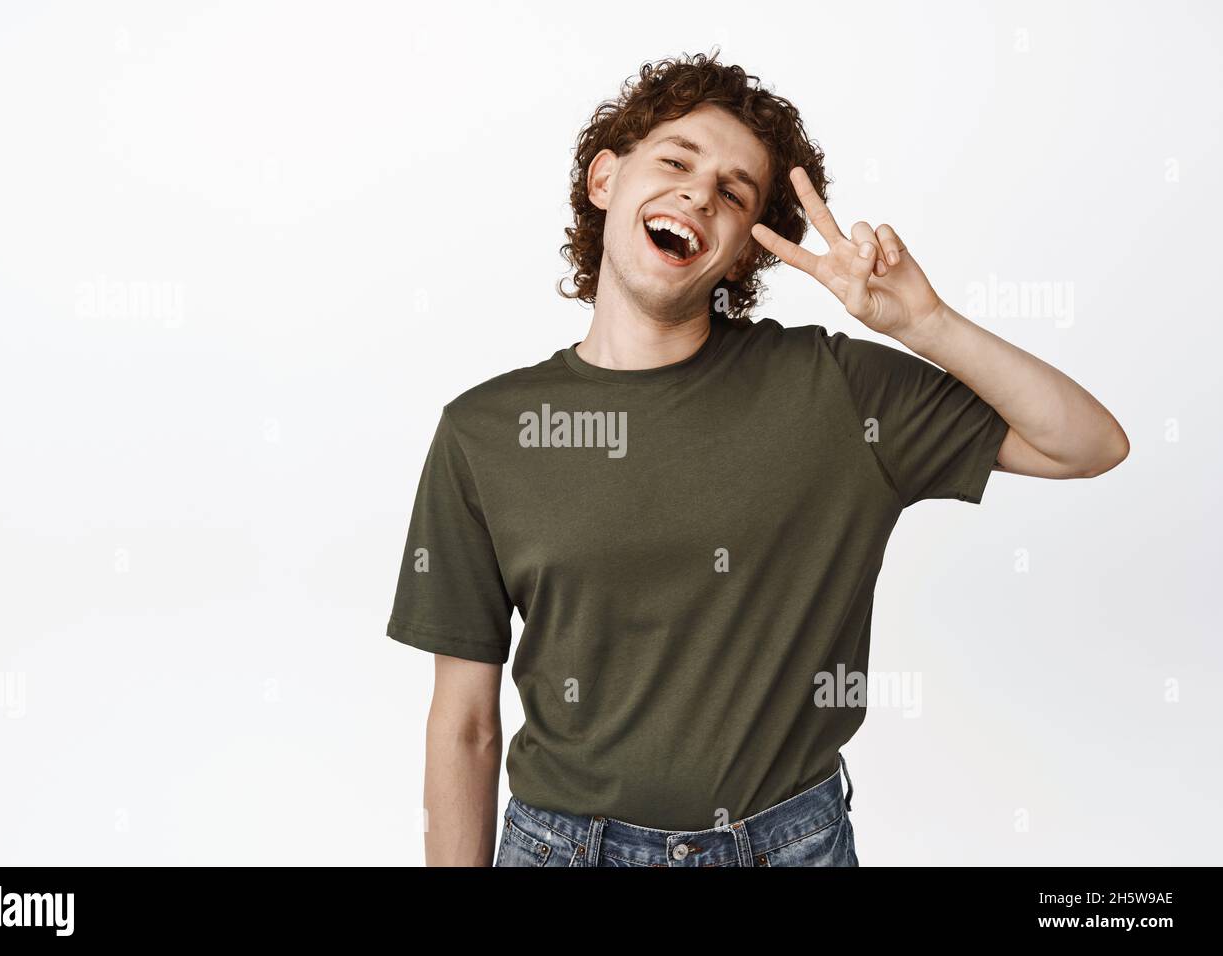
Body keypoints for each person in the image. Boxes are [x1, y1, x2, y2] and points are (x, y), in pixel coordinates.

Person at [385, 50, 1129, 867]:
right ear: (606, 181)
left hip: (788, 844)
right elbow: (464, 724)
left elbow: (1089, 444)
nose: (699, 193)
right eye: (675, 161)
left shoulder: (837, 391)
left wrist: (926, 325)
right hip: (564, 847)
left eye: (733, 193)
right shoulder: (483, 432)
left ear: (743, 252)